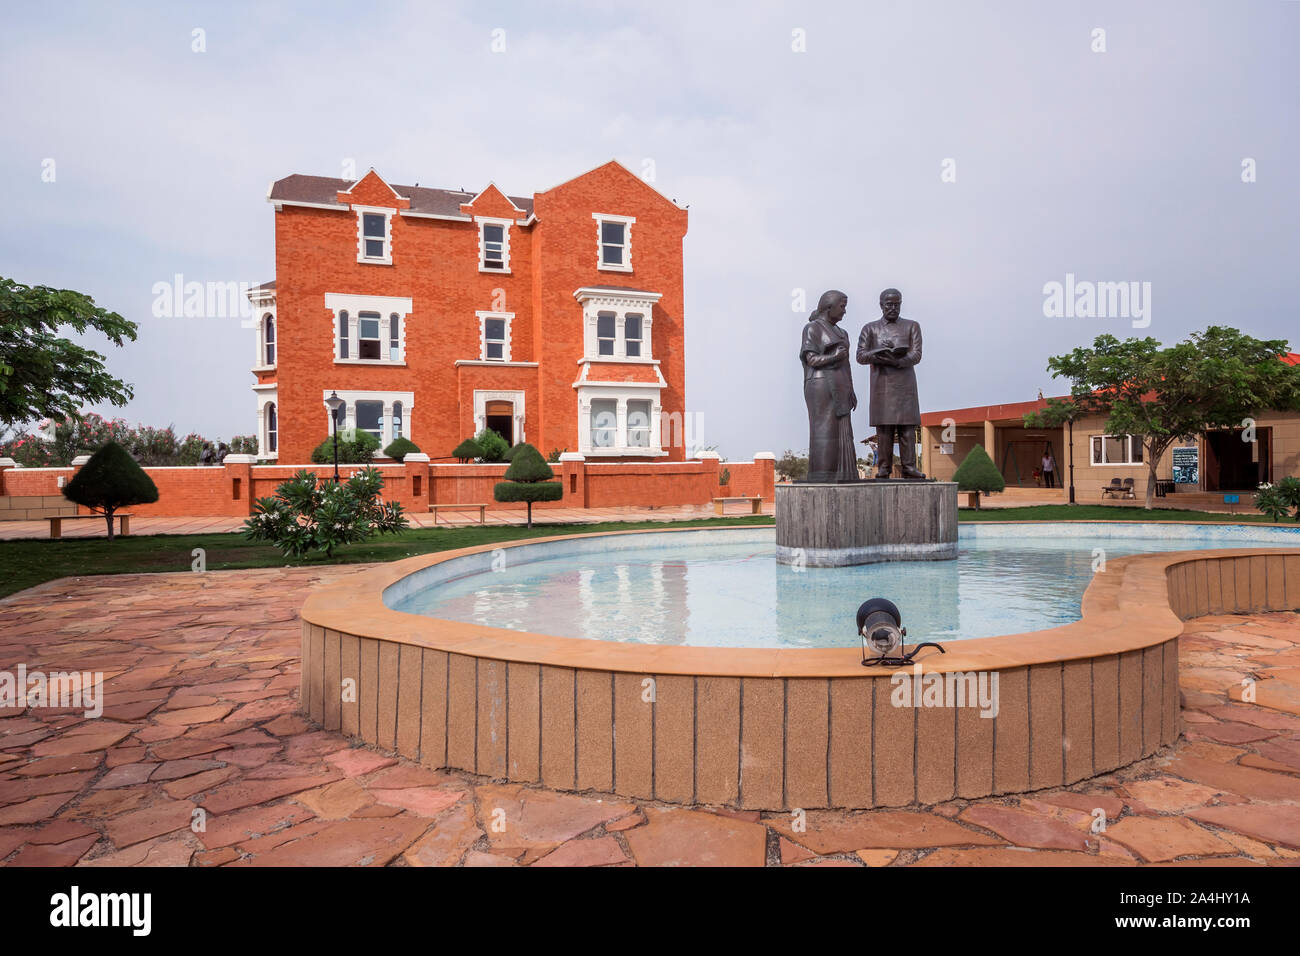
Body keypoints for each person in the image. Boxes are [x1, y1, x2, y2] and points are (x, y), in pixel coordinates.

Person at [856, 288, 924, 479]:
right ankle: (884, 468)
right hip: (882, 386)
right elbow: (860, 356)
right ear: (881, 305)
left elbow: (916, 354)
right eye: (889, 304)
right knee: (884, 429)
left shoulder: (912, 326)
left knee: (907, 428)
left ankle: (909, 467)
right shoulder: (870, 329)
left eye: (897, 304)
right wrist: (878, 352)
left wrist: (898, 361)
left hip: (905, 386)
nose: (893, 308)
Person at [800, 290, 858, 482]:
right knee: (824, 429)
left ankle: (843, 473)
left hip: (841, 385)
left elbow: (847, 364)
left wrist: (851, 390)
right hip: (821, 385)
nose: (844, 311)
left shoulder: (843, 333)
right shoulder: (812, 328)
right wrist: (835, 356)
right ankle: (823, 473)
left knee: (842, 430)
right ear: (828, 306)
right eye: (842, 306)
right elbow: (811, 359)